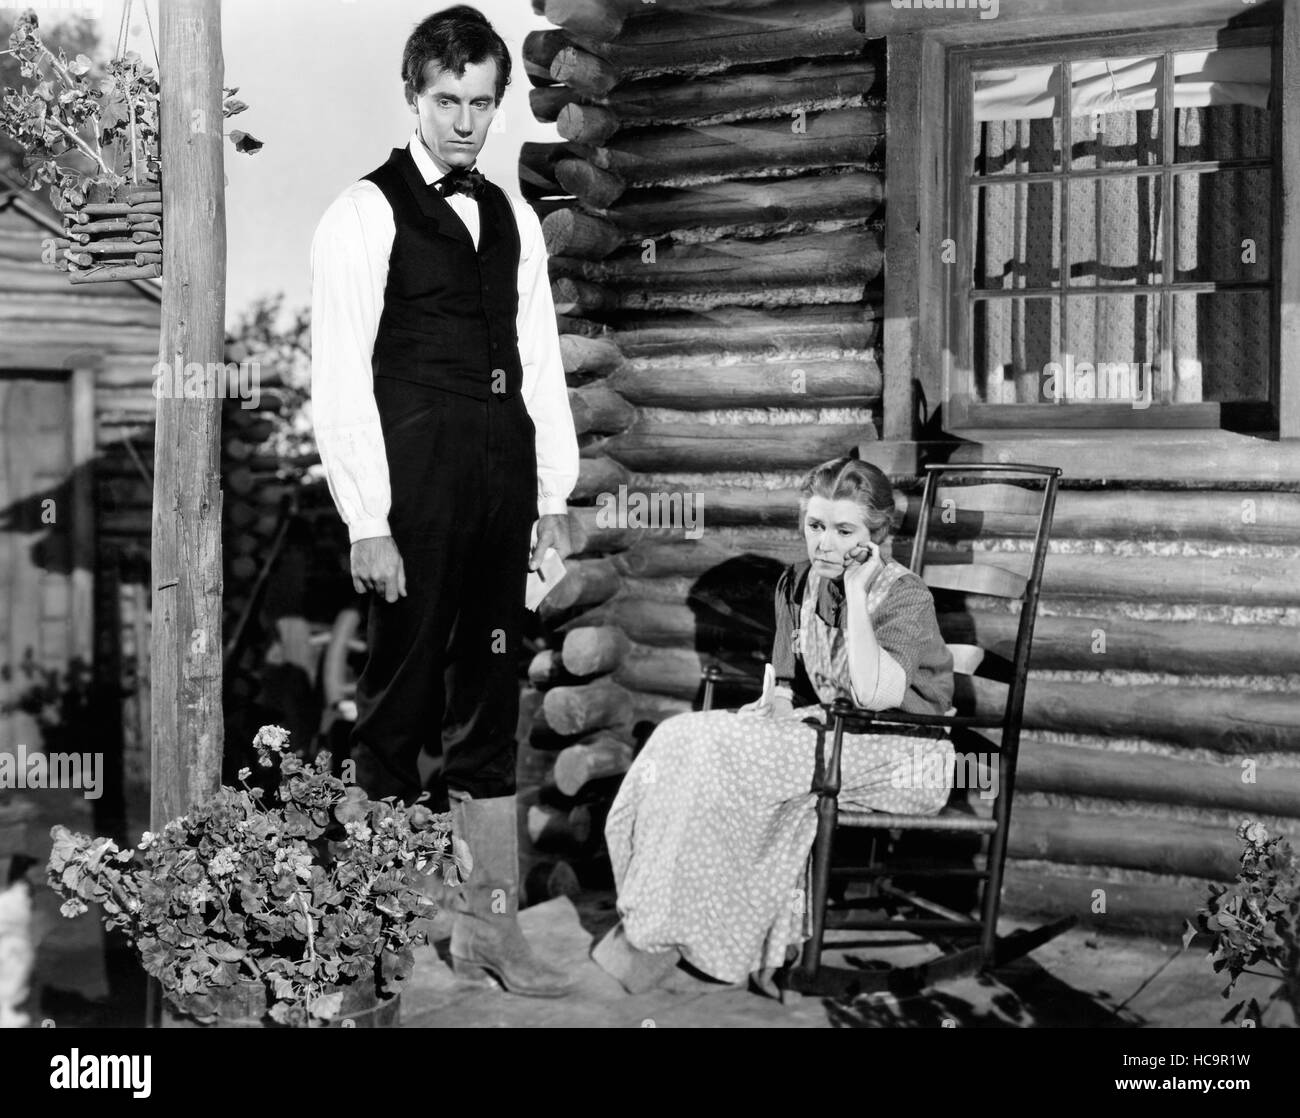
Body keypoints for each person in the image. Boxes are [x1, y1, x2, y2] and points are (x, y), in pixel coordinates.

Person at [310, 6, 578, 998]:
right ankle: (371, 936)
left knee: (488, 704)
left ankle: (488, 932)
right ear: (414, 96)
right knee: (395, 707)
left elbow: (540, 358)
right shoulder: (361, 213)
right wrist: (366, 518)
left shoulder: (510, 216)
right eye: (448, 102)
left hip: (501, 479)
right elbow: (336, 379)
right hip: (409, 488)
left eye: (483, 104)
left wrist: (551, 489)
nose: (466, 123)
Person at [596, 457, 956, 993]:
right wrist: (776, 707)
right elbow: (787, 681)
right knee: (681, 737)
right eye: (815, 526)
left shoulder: (901, 596)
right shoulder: (796, 584)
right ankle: (653, 917)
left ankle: (713, 932)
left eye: (844, 530)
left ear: (875, 535)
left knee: (735, 760)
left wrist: (856, 594)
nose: (825, 544)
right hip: (831, 730)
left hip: (903, 750)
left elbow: (877, 693)